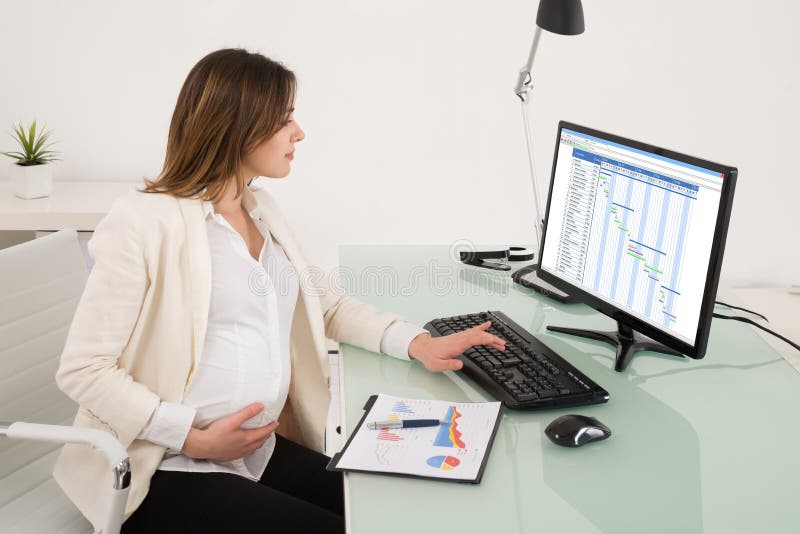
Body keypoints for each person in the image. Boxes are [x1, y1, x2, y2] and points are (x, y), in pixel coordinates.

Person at [53, 48, 507, 533]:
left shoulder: (261, 211)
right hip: (161, 466)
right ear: (237, 126)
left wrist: (416, 342)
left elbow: (323, 304)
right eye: (285, 118)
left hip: (254, 450)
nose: (299, 132)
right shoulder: (144, 223)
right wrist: (191, 438)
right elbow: (83, 369)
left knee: (387, 512)